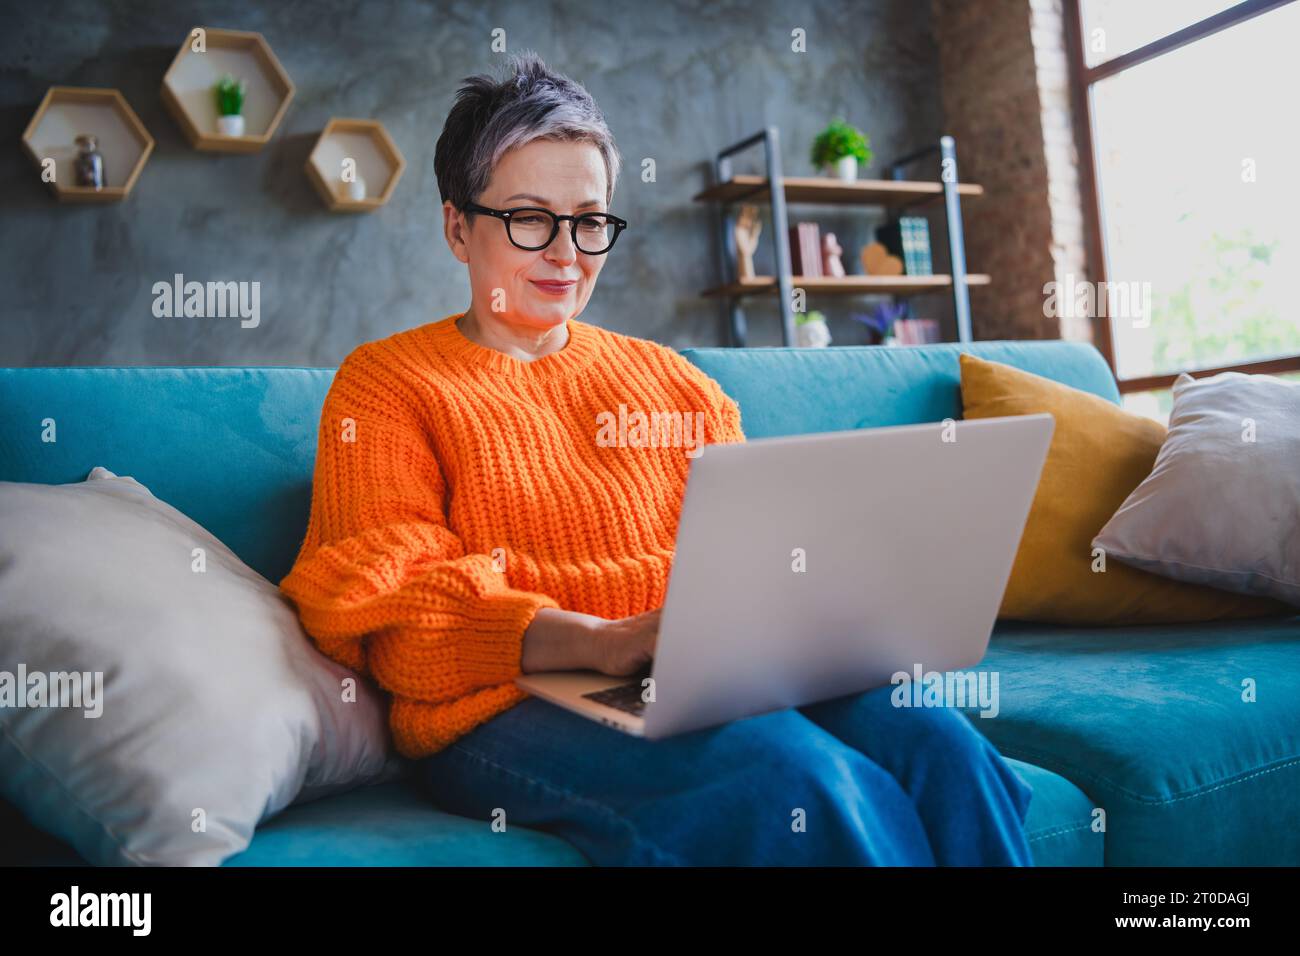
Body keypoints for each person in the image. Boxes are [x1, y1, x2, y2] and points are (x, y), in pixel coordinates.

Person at [278, 50, 1034, 866]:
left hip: (710, 672)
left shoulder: (674, 381)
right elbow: (394, 619)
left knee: (946, 754)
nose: (567, 253)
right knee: (790, 783)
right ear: (458, 226)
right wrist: (601, 641)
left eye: (590, 219)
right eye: (530, 217)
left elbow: (762, 561)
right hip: (504, 704)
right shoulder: (386, 385)